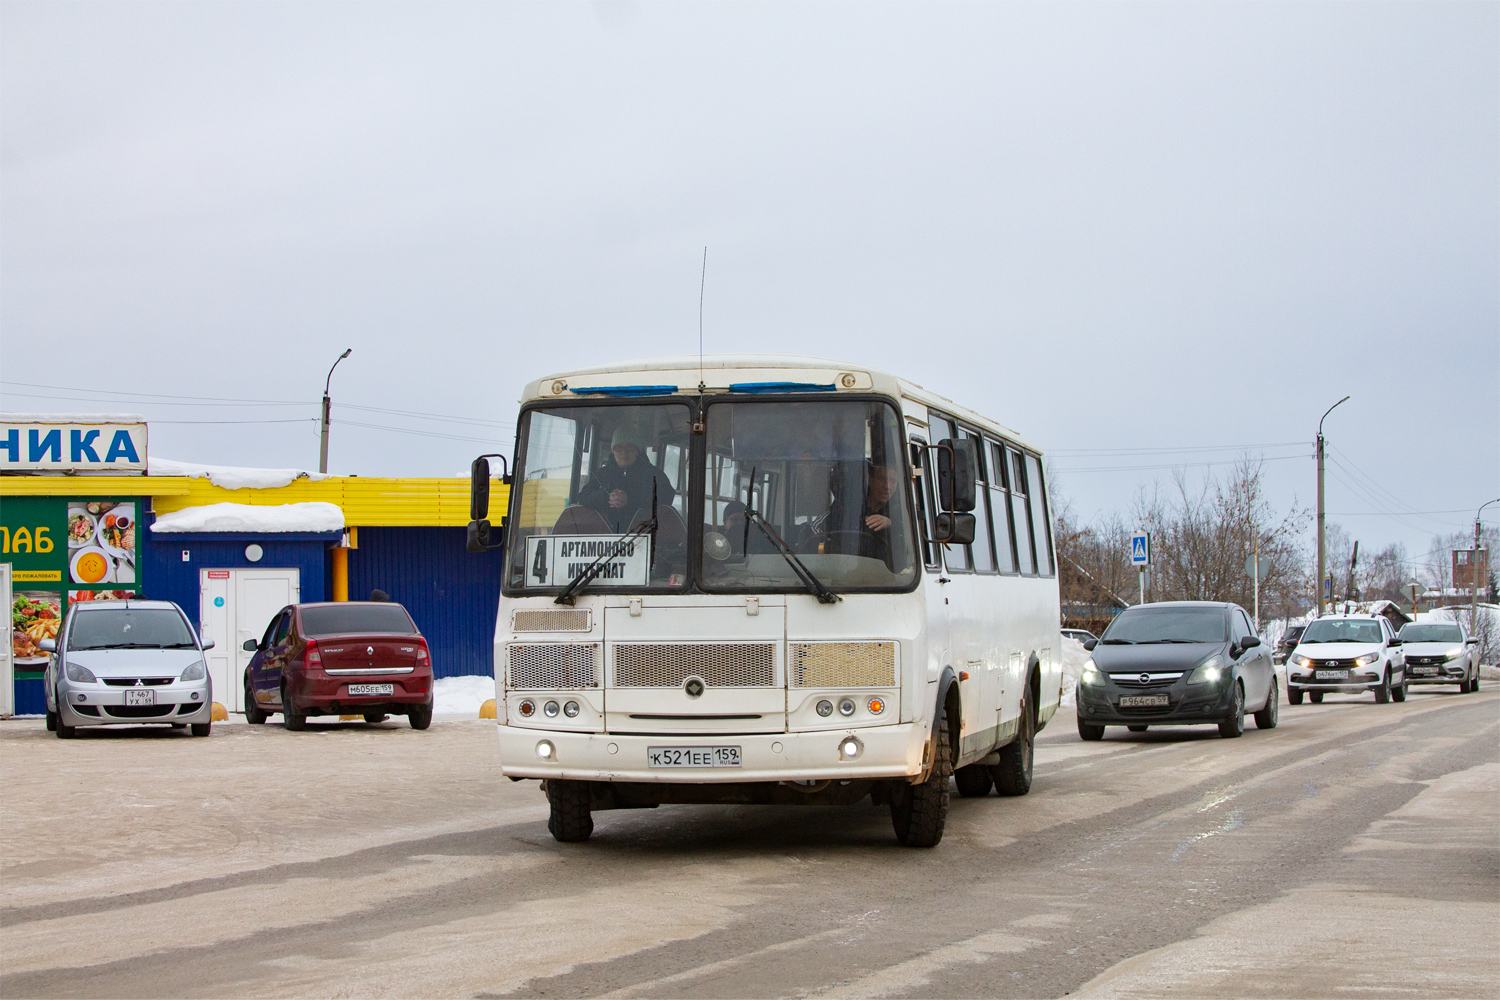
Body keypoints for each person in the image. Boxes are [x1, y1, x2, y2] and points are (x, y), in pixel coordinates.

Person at [577, 426, 676, 532]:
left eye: (629, 448)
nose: (624, 453)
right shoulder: (602, 473)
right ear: (613, 451)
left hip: (645, 536)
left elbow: (667, 496)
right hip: (605, 537)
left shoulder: (654, 474)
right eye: (619, 448)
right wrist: (607, 497)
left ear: (638, 450)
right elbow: (583, 497)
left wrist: (630, 499)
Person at [823, 463, 900, 566]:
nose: (887, 486)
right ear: (870, 480)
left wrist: (891, 524)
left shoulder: (901, 513)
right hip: (843, 570)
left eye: (893, 481)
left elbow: (908, 551)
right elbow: (817, 530)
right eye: (881, 479)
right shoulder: (847, 506)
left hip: (887, 577)